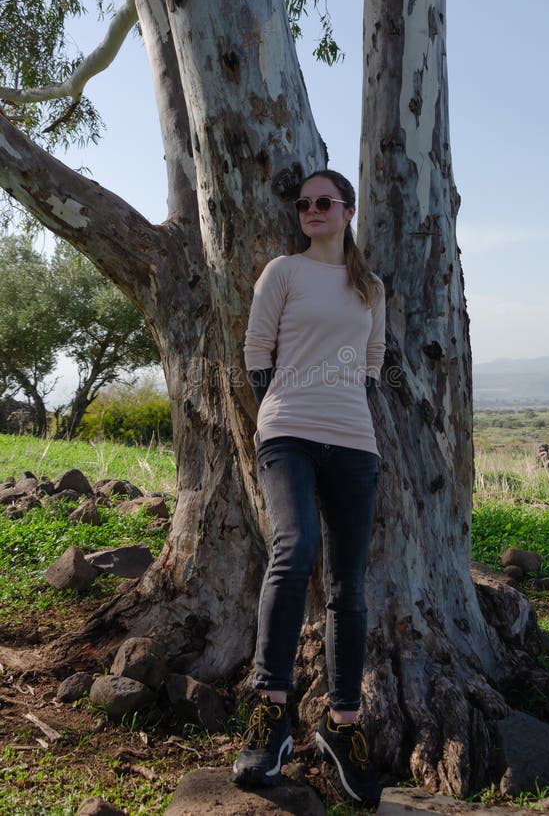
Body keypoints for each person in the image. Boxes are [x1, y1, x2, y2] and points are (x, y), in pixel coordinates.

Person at [233, 169, 385, 805]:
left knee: (348, 585)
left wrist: (343, 404)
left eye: (324, 202)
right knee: (293, 550)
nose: (312, 210)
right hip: (287, 434)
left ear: (347, 211)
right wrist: (283, 406)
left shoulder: (370, 286)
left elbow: (373, 361)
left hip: (354, 442)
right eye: (304, 204)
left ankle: (342, 725)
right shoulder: (284, 272)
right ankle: (271, 714)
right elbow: (256, 350)